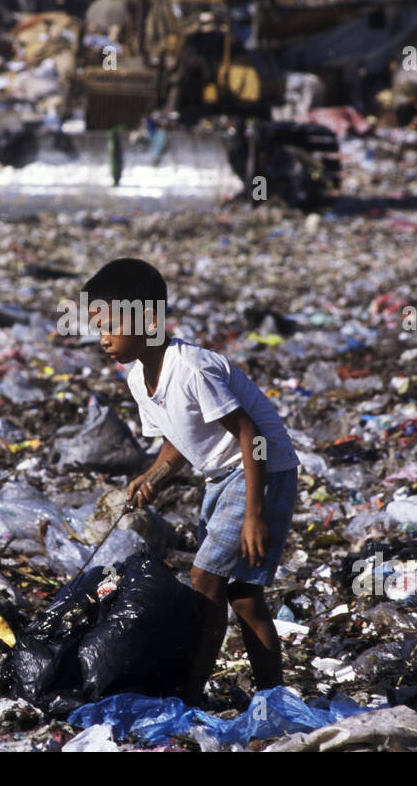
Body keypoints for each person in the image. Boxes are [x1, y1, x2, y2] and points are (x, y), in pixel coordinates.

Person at [82, 257, 300, 707]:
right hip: (222, 474)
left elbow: (250, 434)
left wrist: (255, 515)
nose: (102, 339)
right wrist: (154, 477)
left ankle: (189, 693)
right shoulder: (137, 378)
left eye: (110, 326)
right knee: (242, 593)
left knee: (205, 580)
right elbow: (179, 441)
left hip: (261, 468)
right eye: (97, 326)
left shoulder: (193, 368)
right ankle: (273, 699)